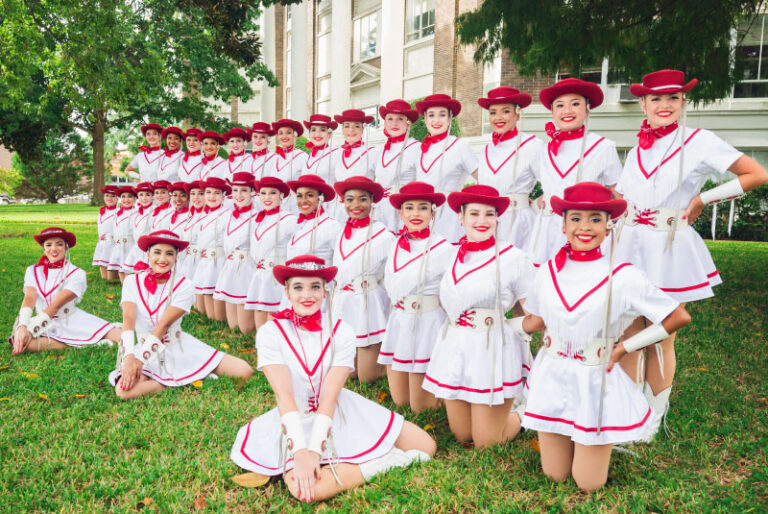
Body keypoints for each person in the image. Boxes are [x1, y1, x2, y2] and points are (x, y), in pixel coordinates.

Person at [614, 69, 768, 437]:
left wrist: (704, 198)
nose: (664, 105)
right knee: (630, 326)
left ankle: (654, 415)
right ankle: (627, 408)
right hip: (631, 244)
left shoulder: (699, 140)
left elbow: (756, 174)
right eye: (655, 99)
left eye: (672, 98)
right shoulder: (639, 146)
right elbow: (625, 198)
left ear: (684, 102)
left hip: (669, 249)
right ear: (643, 105)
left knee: (661, 332)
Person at [518, 182, 691, 491]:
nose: (585, 227)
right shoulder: (547, 271)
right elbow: (535, 318)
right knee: (554, 476)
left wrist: (624, 347)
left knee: (588, 484)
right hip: (553, 374)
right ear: (563, 223)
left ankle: (590, 442)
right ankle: (568, 433)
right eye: (576, 218)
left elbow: (678, 316)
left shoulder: (624, 275)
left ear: (609, 225)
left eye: (595, 218)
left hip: (595, 380)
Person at [229, 255, 435, 503]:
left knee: (425, 446)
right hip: (294, 418)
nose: (307, 295)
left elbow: (329, 396)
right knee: (307, 491)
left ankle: (374, 458)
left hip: (341, 410)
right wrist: (301, 452)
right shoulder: (270, 333)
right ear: (286, 291)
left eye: (315, 286)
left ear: (325, 291)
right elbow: (284, 396)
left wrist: (315, 451)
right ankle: (377, 463)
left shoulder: (342, 331)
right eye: (298, 287)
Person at [423, 185, 532, 447]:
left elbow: (536, 315)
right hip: (454, 347)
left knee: (487, 442)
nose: (482, 221)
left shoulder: (513, 257)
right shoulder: (449, 255)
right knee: (463, 437)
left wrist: (505, 326)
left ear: (497, 218)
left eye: (489, 214)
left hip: (492, 349)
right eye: (474, 214)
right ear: (460, 218)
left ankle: (525, 414)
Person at [109, 230, 253, 400]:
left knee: (244, 371)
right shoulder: (132, 281)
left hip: (177, 346)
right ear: (147, 254)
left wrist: (139, 362)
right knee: (123, 392)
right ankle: (182, 380)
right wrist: (130, 358)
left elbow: (164, 325)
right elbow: (128, 320)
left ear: (176, 257)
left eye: (169, 254)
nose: (163, 259)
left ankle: (183, 377)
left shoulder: (185, 285)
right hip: (144, 348)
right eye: (157, 252)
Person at [530, 78, 622, 265]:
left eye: (575, 103)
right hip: (547, 229)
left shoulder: (602, 147)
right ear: (552, 111)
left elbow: (619, 191)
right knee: (546, 282)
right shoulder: (544, 149)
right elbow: (550, 187)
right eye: (560, 105)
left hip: (583, 228)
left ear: (587, 108)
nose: (567, 110)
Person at [379, 182, 451, 412]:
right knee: (400, 402)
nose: (416, 214)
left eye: (423, 207)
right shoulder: (395, 244)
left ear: (433, 212)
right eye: (409, 208)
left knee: (422, 409)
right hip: (401, 322)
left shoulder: (443, 248)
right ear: (400, 213)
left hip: (428, 322)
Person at [11, 227, 121, 355]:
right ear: (43, 248)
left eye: (59, 244)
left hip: (70, 320)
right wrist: (23, 326)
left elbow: (56, 305)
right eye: (48, 245)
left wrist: (31, 331)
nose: (54, 249)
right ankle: (86, 343)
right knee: (22, 343)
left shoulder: (77, 273)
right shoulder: (32, 270)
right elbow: (30, 297)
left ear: (66, 247)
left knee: (120, 336)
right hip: (42, 321)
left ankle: (83, 340)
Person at [331, 176, 394, 383]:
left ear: (372, 202)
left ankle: (389, 365)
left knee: (367, 378)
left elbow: (390, 276)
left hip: (368, 304)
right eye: (350, 199)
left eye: (362, 199)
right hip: (344, 301)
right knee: (350, 374)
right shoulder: (342, 232)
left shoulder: (383, 235)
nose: (356, 205)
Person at [475, 87, 543, 254]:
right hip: (487, 221)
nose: (498, 117)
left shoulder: (532, 145)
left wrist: (538, 200)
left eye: (505, 111)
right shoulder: (486, 149)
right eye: (493, 112)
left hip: (518, 222)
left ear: (517, 114)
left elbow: (551, 181)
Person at [414, 94, 479, 243]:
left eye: (442, 115)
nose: (436, 120)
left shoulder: (459, 146)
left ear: (450, 118)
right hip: (423, 216)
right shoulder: (421, 149)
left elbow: (484, 178)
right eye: (431, 115)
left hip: (449, 218)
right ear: (425, 119)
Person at [245, 177, 297, 329]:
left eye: (272, 193)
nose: (267, 197)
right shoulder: (257, 219)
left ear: (281, 195)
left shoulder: (290, 219)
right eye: (263, 193)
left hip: (277, 275)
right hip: (261, 273)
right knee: (259, 315)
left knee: (274, 317)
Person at [213, 172, 259, 333]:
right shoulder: (230, 216)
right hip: (231, 266)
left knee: (245, 329)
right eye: (235, 190)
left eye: (244, 190)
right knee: (233, 327)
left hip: (247, 267)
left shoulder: (257, 216)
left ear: (253, 192)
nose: (238, 195)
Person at [374, 100, 421, 232]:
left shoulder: (416, 148)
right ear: (384, 123)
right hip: (380, 211)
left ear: (408, 123)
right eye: (390, 119)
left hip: (402, 210)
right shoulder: (382, 150)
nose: (394, 123)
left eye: (400, 118)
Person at [192, 177, 231, 318]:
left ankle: (218, 322)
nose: (212, 196)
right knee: (200, 307)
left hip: (218, 261)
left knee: (212, 296)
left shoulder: (227, 214)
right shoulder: (204, 214)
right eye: (208, 192)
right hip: (204, 261)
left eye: (216, 193)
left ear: (223, 195)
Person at [286, 174, 341, 264]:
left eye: (309, 195)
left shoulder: (331, 226)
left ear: (320, 198)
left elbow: (339, 263)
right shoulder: (298, 224)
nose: (303, 200)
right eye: (299, 196)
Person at [123, 182, 155, 275]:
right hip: (136, 247)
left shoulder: (154, 212)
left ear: (152, 196)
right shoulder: (137, 212)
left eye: (147, 195)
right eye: (141, 195)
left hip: (147, 249)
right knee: (127, 273)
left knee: (143, 274)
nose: (144, 198)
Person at [108, 185, 138, 283]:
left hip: (130, 245)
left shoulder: (136, 213)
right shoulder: (118, 213)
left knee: (128, 270)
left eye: (130, 196)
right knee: (117, 272)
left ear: (135, 198)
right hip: (119, 245)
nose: (126, 199)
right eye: (123, 197)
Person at [178, 180, 206, 280]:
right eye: (193, 194)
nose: (196, 197)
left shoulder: (211, 216)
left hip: (203, 263)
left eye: (201, 193)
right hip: (188, 262)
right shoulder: (190, 217)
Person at [302, 114, 338, 185]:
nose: (317, 134)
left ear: (329, 134)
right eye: (313, 130)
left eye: (322, 130)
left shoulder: (337, 153)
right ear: (309, 134)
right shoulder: (308, 156)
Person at [93, 185, 119, 280]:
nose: (109, 198)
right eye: (107, 195)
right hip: (102, 242)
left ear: (117, 198)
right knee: (104, 277)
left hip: (112, 243)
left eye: (113, 196)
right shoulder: (102, 211)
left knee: (111, 277)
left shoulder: (119, 211)